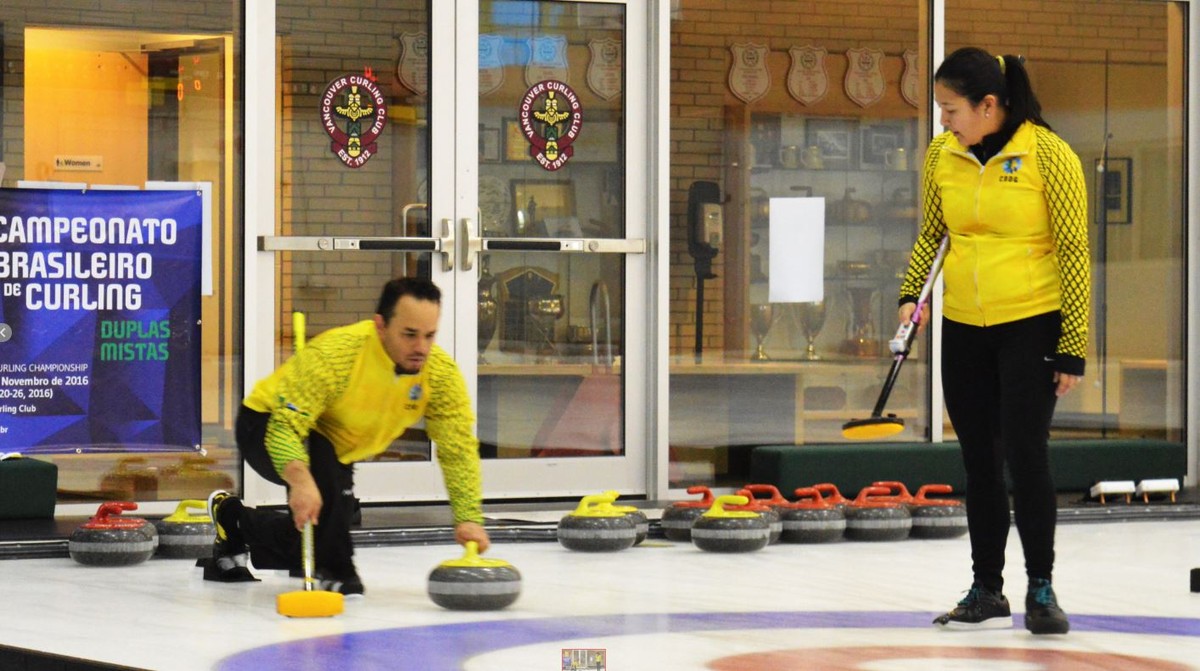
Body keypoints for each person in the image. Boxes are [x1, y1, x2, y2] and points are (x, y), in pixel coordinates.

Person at [896, 47, 1088, 635]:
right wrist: (912, 296)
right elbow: (933, 233)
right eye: (940, 110)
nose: (944, 121)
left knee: (1027, 458)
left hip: (1031, 324)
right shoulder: (942, 155)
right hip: (967, 329)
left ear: (989, 104)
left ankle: (1042, 588)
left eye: (952, 110)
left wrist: (1073, 344)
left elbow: (1074, 252)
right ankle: (986, 588)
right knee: (980, 463)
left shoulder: (1048, 155)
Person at [205, 277, 491, 596]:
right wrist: (300, 479)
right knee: (327, 514)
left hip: (337, 445)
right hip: (267, 423)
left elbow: (458, 448)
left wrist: (468, 517)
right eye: (409, 335)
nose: (421, 348)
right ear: (380, 325)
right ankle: (338, 570)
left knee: (326, 527)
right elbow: (285, 427)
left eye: (429, 335)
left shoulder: (438, 374)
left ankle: (234, 520)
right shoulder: (339, 355)